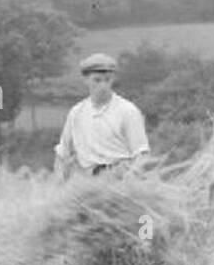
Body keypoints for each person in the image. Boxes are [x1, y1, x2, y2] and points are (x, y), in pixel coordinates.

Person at [54, 53, 150, 181]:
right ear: (86, 80)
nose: (103, 86)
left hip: (120, 180)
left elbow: (141, 154)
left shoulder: (128, 111)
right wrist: (59, 180)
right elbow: (62, 153)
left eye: (107, 80)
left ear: (113, 80)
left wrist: (130, 178)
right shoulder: (76, 113)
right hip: (86, 182)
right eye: (97, 80)